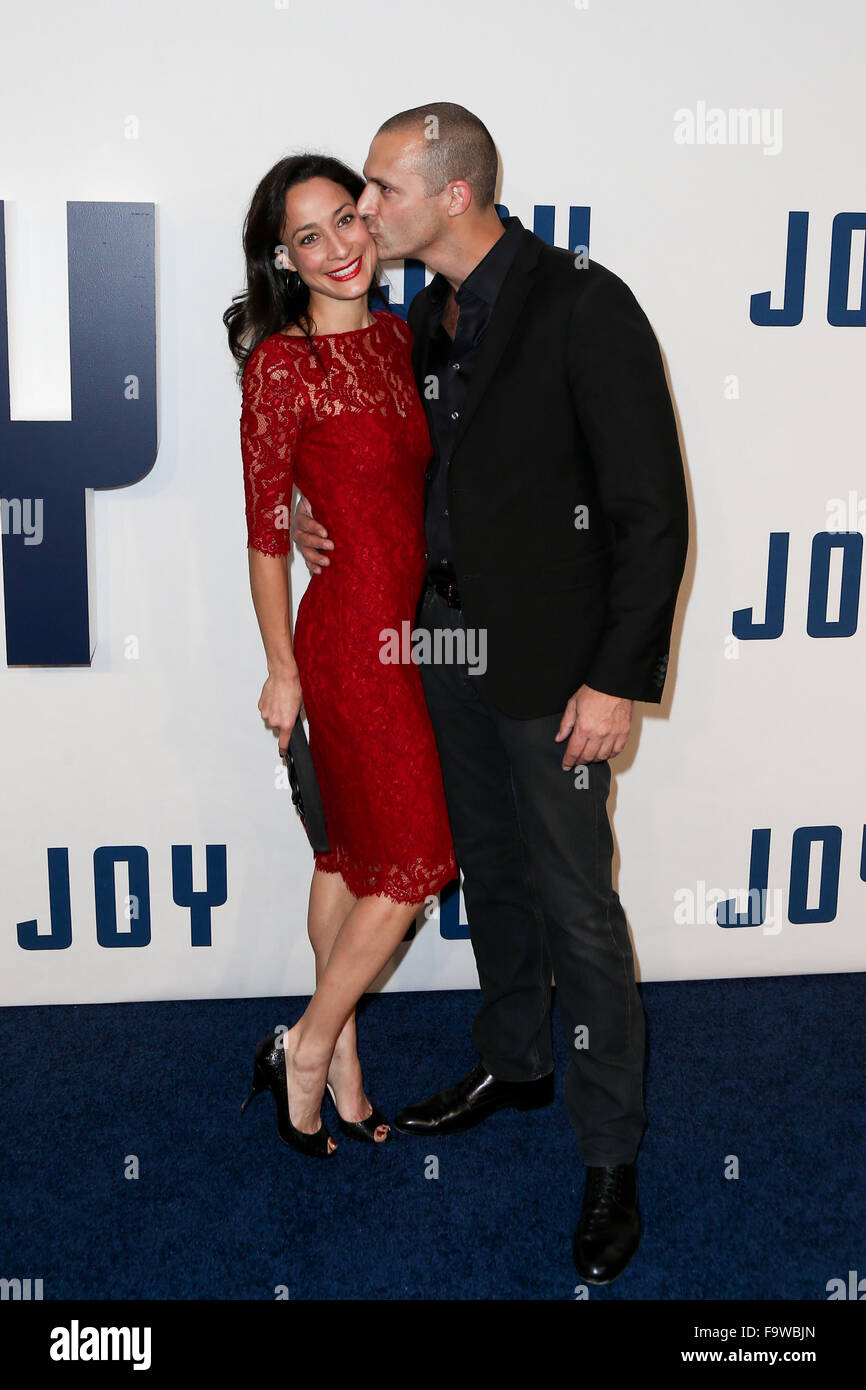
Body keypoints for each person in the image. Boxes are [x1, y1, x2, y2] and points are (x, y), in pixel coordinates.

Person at [292, 104, 689, 1277]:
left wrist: (614, 683)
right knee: (489, 864)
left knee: (578, 904)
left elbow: (649, 513)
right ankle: (517, 1060)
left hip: (556, 666)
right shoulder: (426, 318)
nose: (362, 213)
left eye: (378, 189)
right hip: (444, 651)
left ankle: (608, 1153)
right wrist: (307, 518)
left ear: (451, 193)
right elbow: (405, 476)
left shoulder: (581, 302)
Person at [224, 153, 457, 1159]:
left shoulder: (404, 338)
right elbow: (265, 529)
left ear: (372, 223)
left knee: (349, 853)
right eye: (305, 237)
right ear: (283, 257)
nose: (334, 249)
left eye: (344, 222)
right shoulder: (284, 365)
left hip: (411, 631)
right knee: (415, 862)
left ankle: (343, 1063)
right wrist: (280, 669)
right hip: (344, 641)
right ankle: (310, 1045)